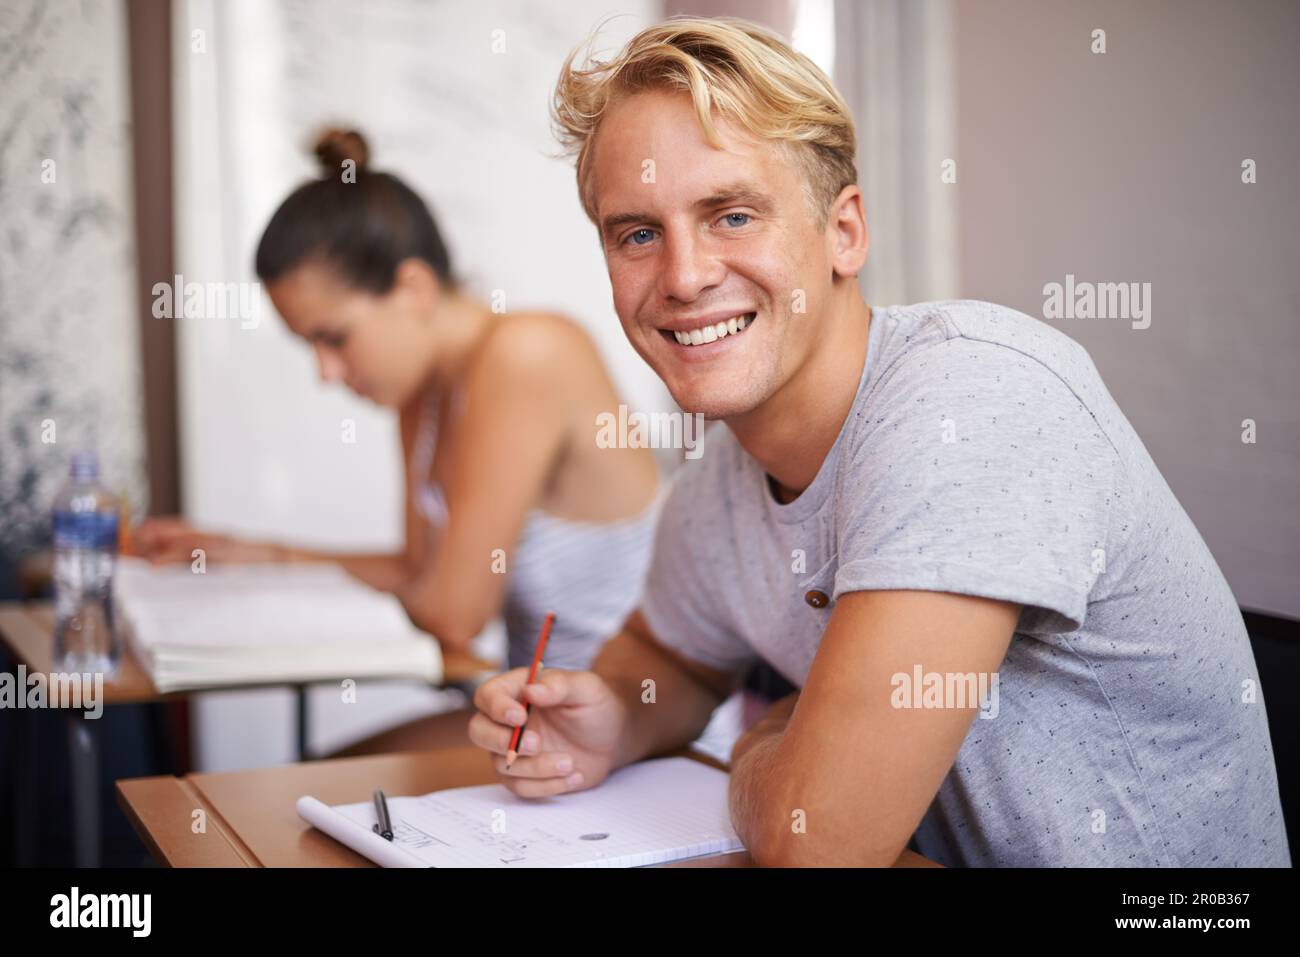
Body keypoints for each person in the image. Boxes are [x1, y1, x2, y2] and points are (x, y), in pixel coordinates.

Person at [467, 17, 1291, 867]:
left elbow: (818, 843)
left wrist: (757, 749)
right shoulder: (724, 474)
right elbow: (667, 651)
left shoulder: (970, 397)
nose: (683, 275)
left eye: (733, 214)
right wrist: (615, 714)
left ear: (845, 233)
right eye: (637, 233)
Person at [136, 129, 661, 749]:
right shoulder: (424, 394)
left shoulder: (527, 354)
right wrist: (248, 552)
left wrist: (336, 594)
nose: (326, 373)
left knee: (312, 794)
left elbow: (456, 614)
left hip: (635, 733)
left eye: (333, 338)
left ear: (412, 289)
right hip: (536, 715)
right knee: (310, 788)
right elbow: (419, 571)